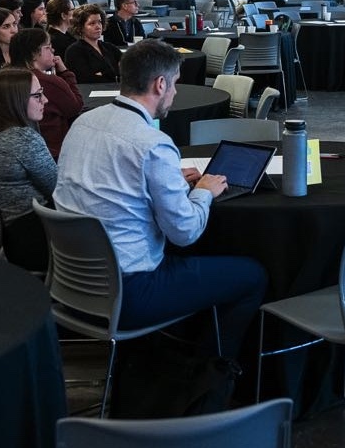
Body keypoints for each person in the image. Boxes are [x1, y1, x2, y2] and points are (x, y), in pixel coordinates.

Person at [52, 40, 266, 361]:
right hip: (132, 291)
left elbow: (109, 186)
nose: (176, 94)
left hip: (73, 285)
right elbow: (186, 231)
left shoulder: (84, 122)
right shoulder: (153, 143)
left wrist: (168, 183)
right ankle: (207, 372)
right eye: (175, 84)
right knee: (252, 275)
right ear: (160, 84)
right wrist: (204, 190)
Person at [0, 68, 60, 272]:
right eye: (38, 95)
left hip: (14, 239)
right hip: (38, 242)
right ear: (16, 100)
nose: (45, 100)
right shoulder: (24, 140)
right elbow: (58, 190)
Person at [9, 28, 84, 163]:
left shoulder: (3, 77)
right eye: (48, 48)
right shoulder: (47, 82)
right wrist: (66, 72)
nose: (53, 51)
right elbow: (75, 107)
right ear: (34, 54)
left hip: (12, 152)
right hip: (52, 153)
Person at [66, 3, 123, 83]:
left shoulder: (110, 47)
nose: (98, 26)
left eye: (99, 22)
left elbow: (127, 70)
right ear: (80, 27)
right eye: (92, 23)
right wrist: (113, 74)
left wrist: (103, 73)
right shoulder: (74, 51)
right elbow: (85, 79)